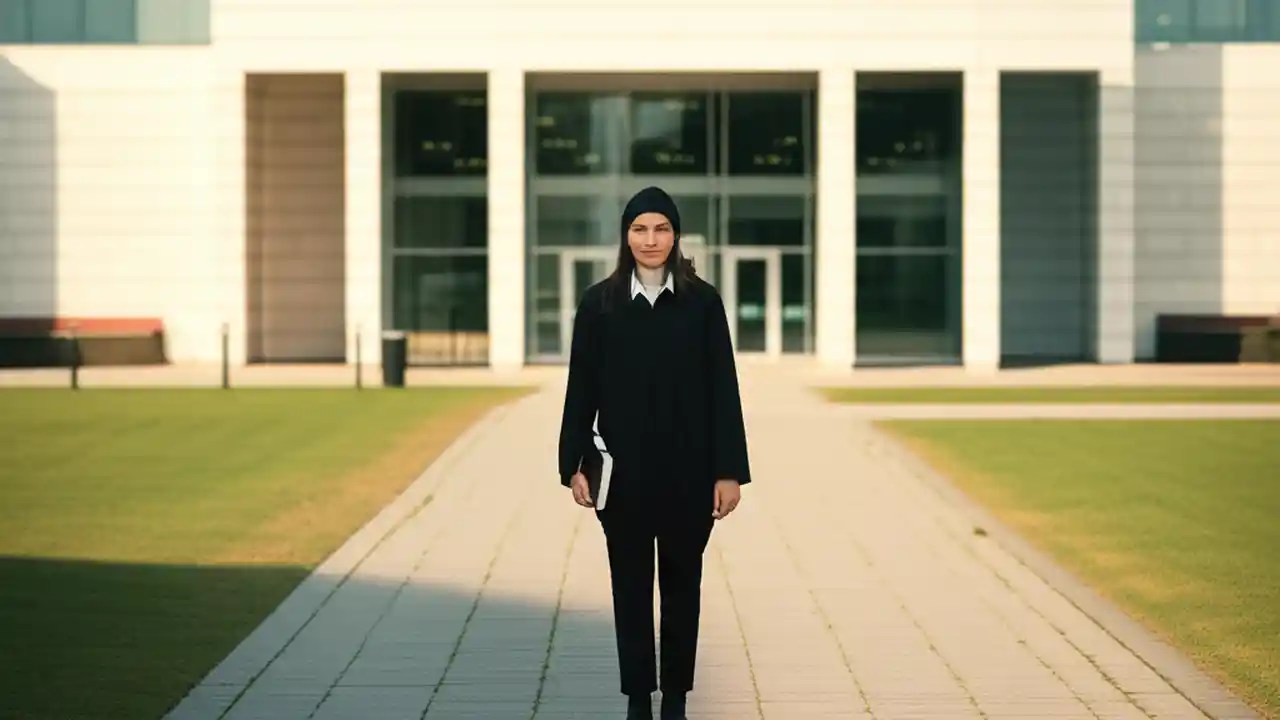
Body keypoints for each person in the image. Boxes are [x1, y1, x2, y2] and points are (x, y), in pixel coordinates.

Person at [557, 186, 752, 720]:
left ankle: (678, 701)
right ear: (626, 235)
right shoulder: (599, 303)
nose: (651, 240)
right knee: (631, 591)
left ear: (676, 235)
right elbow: (582, 388)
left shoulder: (702, 302)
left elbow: (723, 390)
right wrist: (573, 463)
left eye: (661, 228)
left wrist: (729, 471)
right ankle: (638, 699)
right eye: (640, 229)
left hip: (689, 477)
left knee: (683, 591)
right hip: (623, 479)